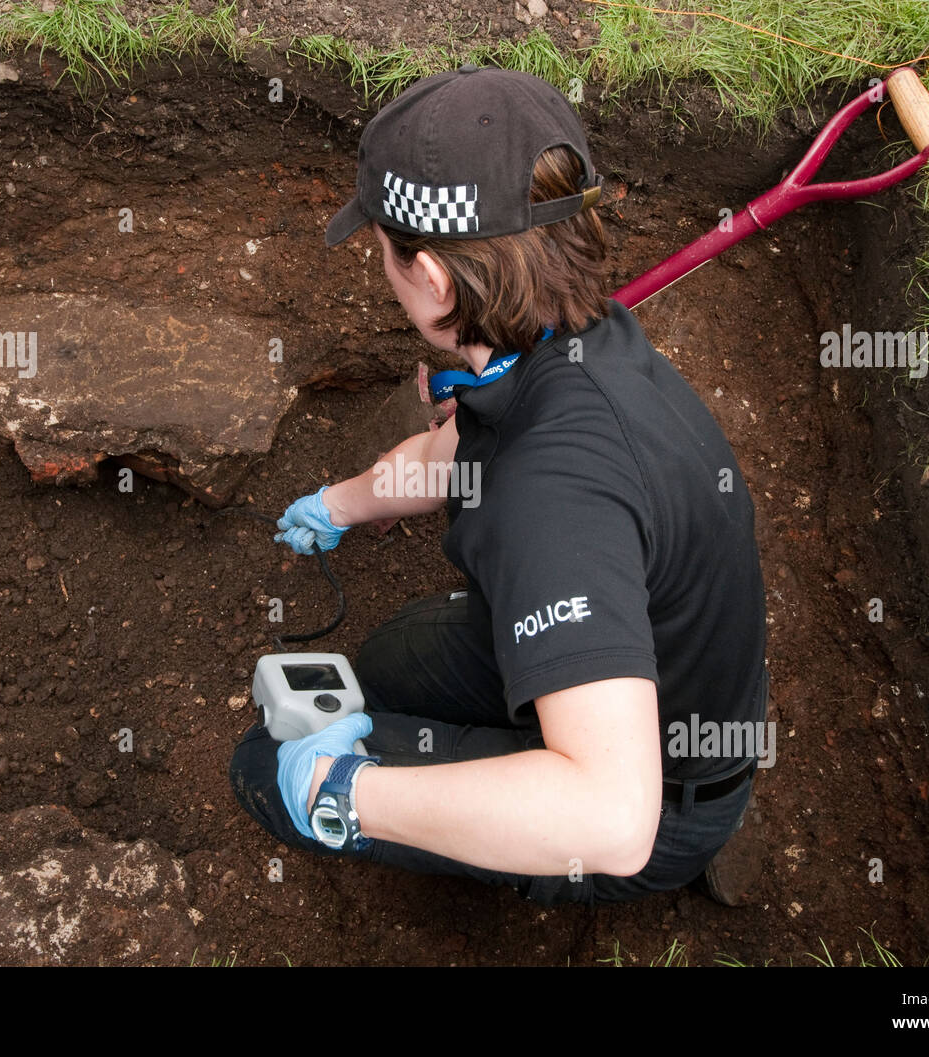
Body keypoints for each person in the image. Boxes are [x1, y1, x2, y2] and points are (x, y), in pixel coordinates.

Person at [229, 64, 768, 906]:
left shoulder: (548, 497)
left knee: (265, 770)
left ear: (435, 278)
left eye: (382, 246)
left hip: (658, 802)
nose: (380, 262)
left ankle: (637, 836)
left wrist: (344, 791)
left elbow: (611, 815)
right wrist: (340, 504)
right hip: (652, 672)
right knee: (379, 665)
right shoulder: (572, 339)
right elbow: (457, 451)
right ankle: (512, 732)